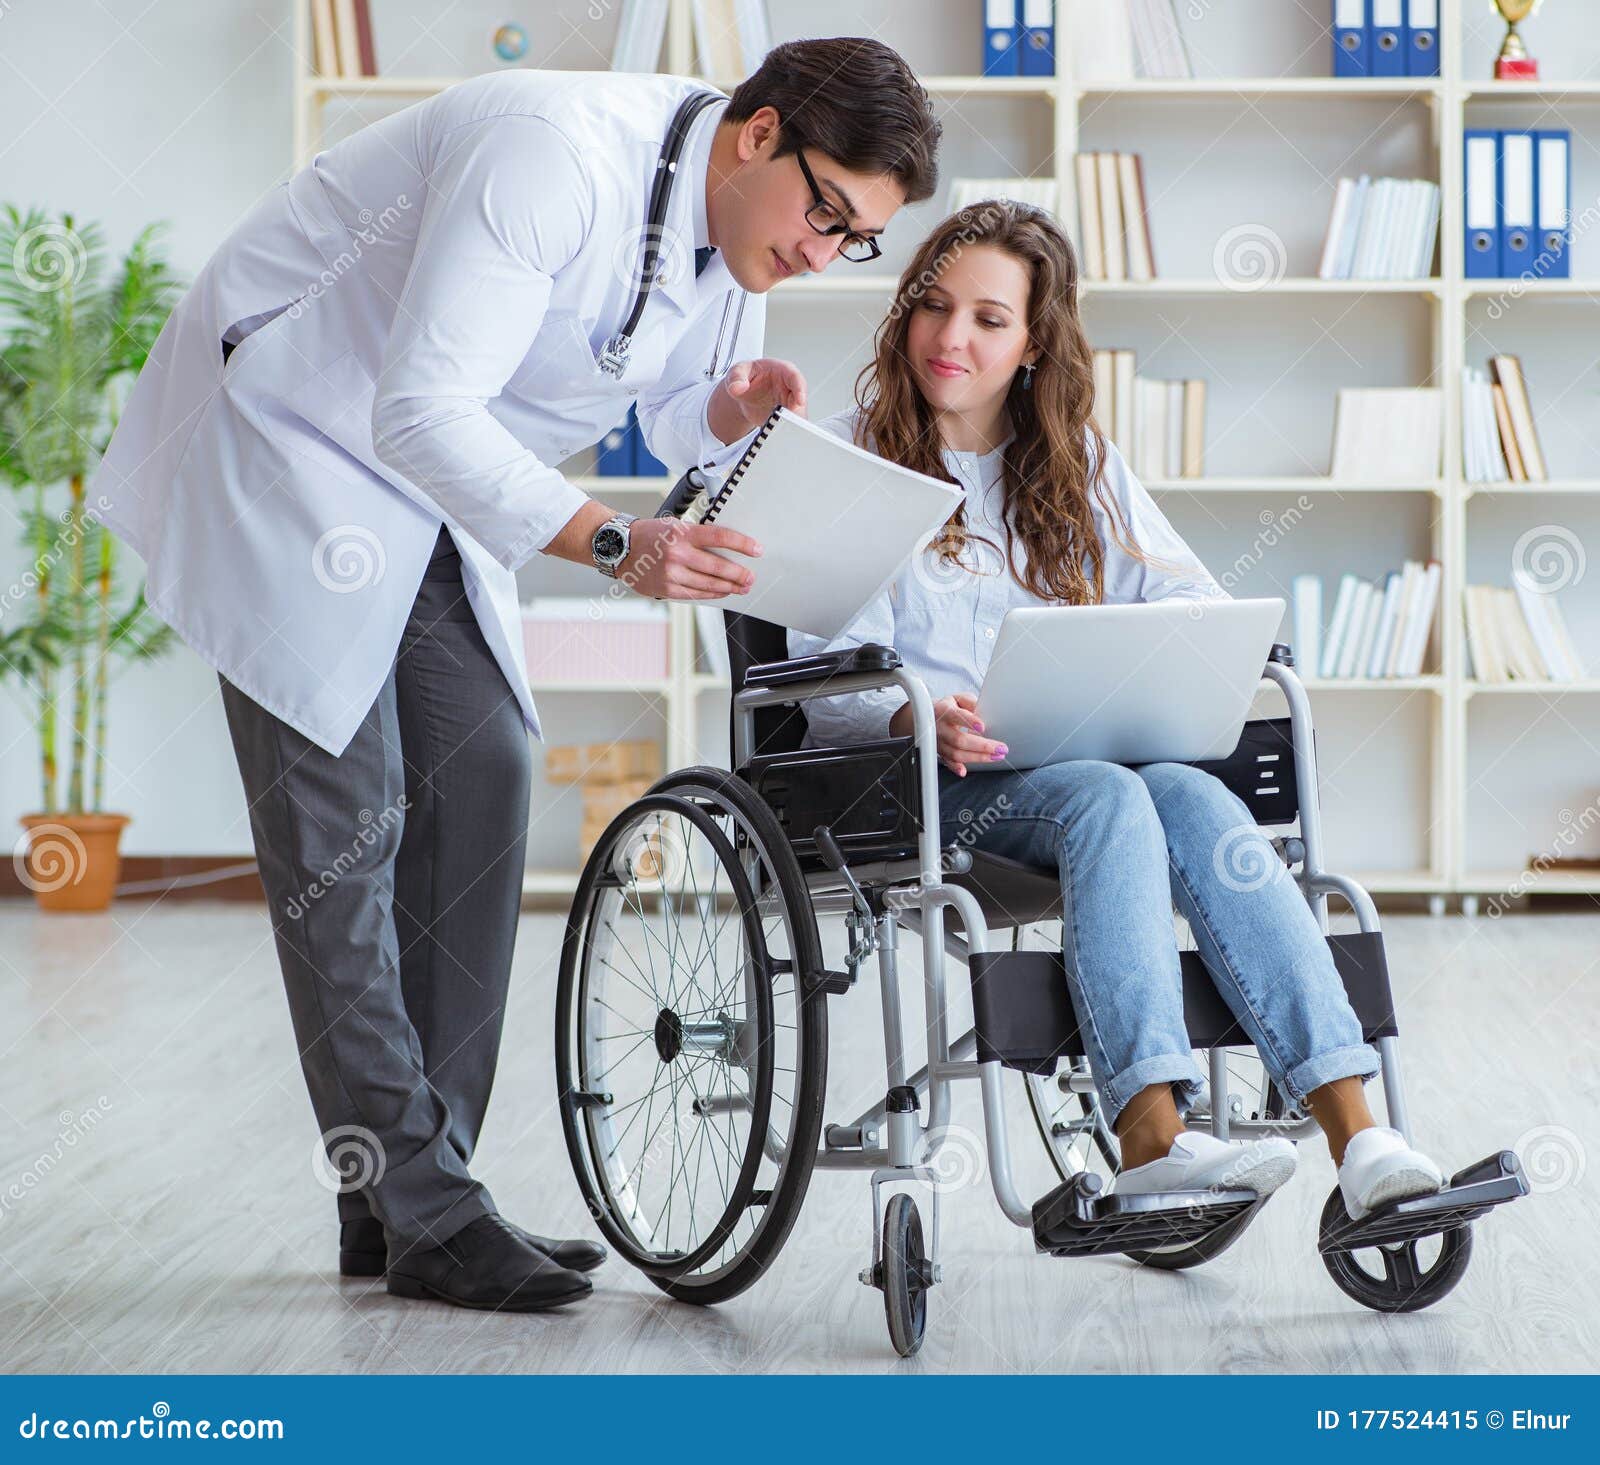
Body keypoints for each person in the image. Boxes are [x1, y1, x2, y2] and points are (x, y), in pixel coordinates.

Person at [92, 39, 941, 1313]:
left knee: (485, 766)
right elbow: (419, 411)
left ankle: (401, 1197)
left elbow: (645, 399)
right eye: (828, 216)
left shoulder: (740, 226)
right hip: (290, 428)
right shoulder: (551, 154)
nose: (826, 254)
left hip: (425, 472)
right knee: (345, 821)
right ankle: (428, 1206)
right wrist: (615, 542)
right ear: (759, 134)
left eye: (858, 239)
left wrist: (722, 407)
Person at [787, 201, 1446, 1219]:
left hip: (1088, 780)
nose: (950, 338)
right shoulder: (848, 463)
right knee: (1109, 795)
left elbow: (1187, 604)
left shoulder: (1078, 465)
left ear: (1034, 344)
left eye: (989, 319)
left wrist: (1157, 664)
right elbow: (818, 682)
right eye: (932, 305)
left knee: (1184, 793)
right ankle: (1148, 1135)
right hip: (926, 791)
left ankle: (1360, 1137)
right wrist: (911, 717)